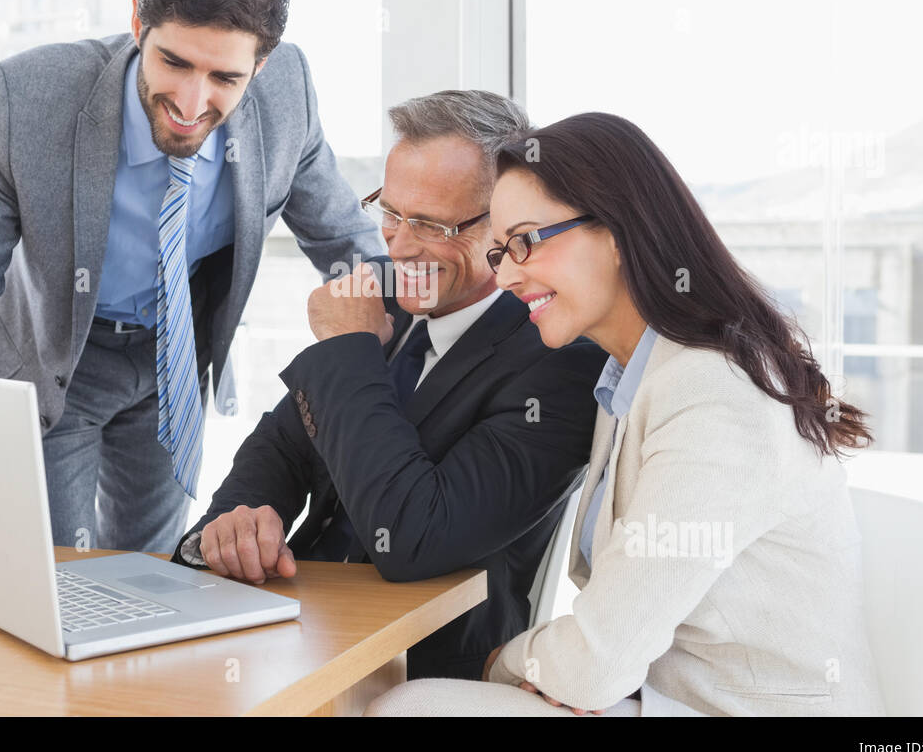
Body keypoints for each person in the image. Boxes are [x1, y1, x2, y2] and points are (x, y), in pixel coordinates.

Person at [0, 0, 384, 572]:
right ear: (137, 24)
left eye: (224, 76)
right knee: (44, 573)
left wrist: (442, 334)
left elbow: (344, 240)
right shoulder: (23, 99)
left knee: (150, 577)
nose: (191, 102)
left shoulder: (288, 94)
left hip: (175, 361)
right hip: (57, 360)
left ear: (261, 65)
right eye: (174, 62)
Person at [365, 112, 885, 715]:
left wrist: (499, 665)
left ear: (618, 231)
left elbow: (595, 662)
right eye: (501, 250)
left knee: (411, 708)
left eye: (526, 241)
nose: (506, 274)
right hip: (657, 698)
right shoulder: (631, 379)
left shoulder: (713, 392)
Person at [173, 91, 606, 680]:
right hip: (294, 625)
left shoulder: (559, 363)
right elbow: (279, 448)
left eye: (431, 224)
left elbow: (411, 538)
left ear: (505, 223)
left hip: (418, 663)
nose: (397, 245)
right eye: (391, 213)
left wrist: (347, 351)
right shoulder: (381, 295)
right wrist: (233, 527)